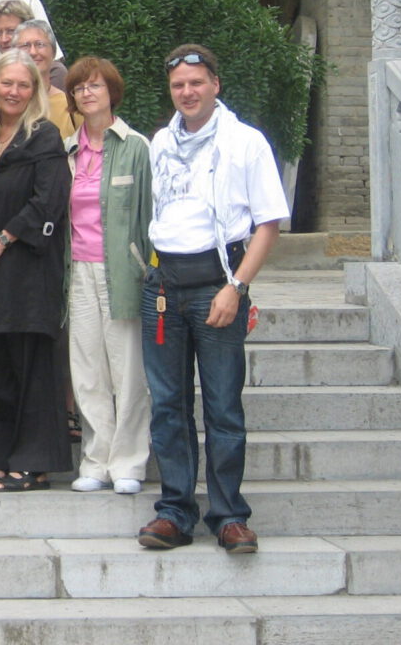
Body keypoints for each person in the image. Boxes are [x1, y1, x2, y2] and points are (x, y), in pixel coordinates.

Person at [137, 45, 288, 555]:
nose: (188, 92)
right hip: (163, 285)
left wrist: (238, 287)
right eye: (179, 85)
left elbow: (268, 224)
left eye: (196, 82)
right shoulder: (160, 142)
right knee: (167, 405)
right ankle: (175, 511)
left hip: (219, 282)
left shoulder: (246, 142)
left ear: (215, 84)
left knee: (223, 406)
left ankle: (229, 515)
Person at [0, 50, 72, 492]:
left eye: (23, 85)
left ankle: (34, 463)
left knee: (31, 366)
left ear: (35, 92)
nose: (13, 92)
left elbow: (48, 201)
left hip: (26, 268)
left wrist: (2, 240)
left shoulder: (43, 137)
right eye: (6, 83)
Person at [63, 56, 152, 496]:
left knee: (128, 371)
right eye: (79, 88)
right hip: (77, 271)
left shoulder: (135, 145)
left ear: (111, 91)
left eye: (95, 86)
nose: (87, 93)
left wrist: (149, 271)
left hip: (123, 272)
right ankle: (96, 460)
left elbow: (150, 217)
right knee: (87, 370)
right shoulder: (67, 149)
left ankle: (129, 461)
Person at [15, 19, 77, 139]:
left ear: (53, 52)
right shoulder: (5, 104)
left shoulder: (70, 104)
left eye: (40, 45)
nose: (33, 52)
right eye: (25, 46)